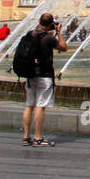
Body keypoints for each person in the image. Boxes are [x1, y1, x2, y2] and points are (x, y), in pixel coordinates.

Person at [21, 12, 64, 147]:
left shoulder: (30, 34)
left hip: (30, 74)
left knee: (29, 105)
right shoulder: (48, 38)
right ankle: (38, 138)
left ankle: (26, 137)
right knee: (40, 106)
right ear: (51, 24)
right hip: (44, 76)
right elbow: (63, 47)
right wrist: (59, 32)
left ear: (39, 21)